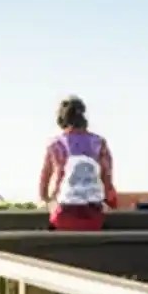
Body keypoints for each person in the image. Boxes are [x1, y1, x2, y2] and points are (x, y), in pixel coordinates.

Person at [38, 95, 118, 230]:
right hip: (93, 215)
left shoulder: (56, 144)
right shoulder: (99, 143)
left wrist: (47, 200)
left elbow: (44, 179)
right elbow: (107, 180)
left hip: (63, 213)